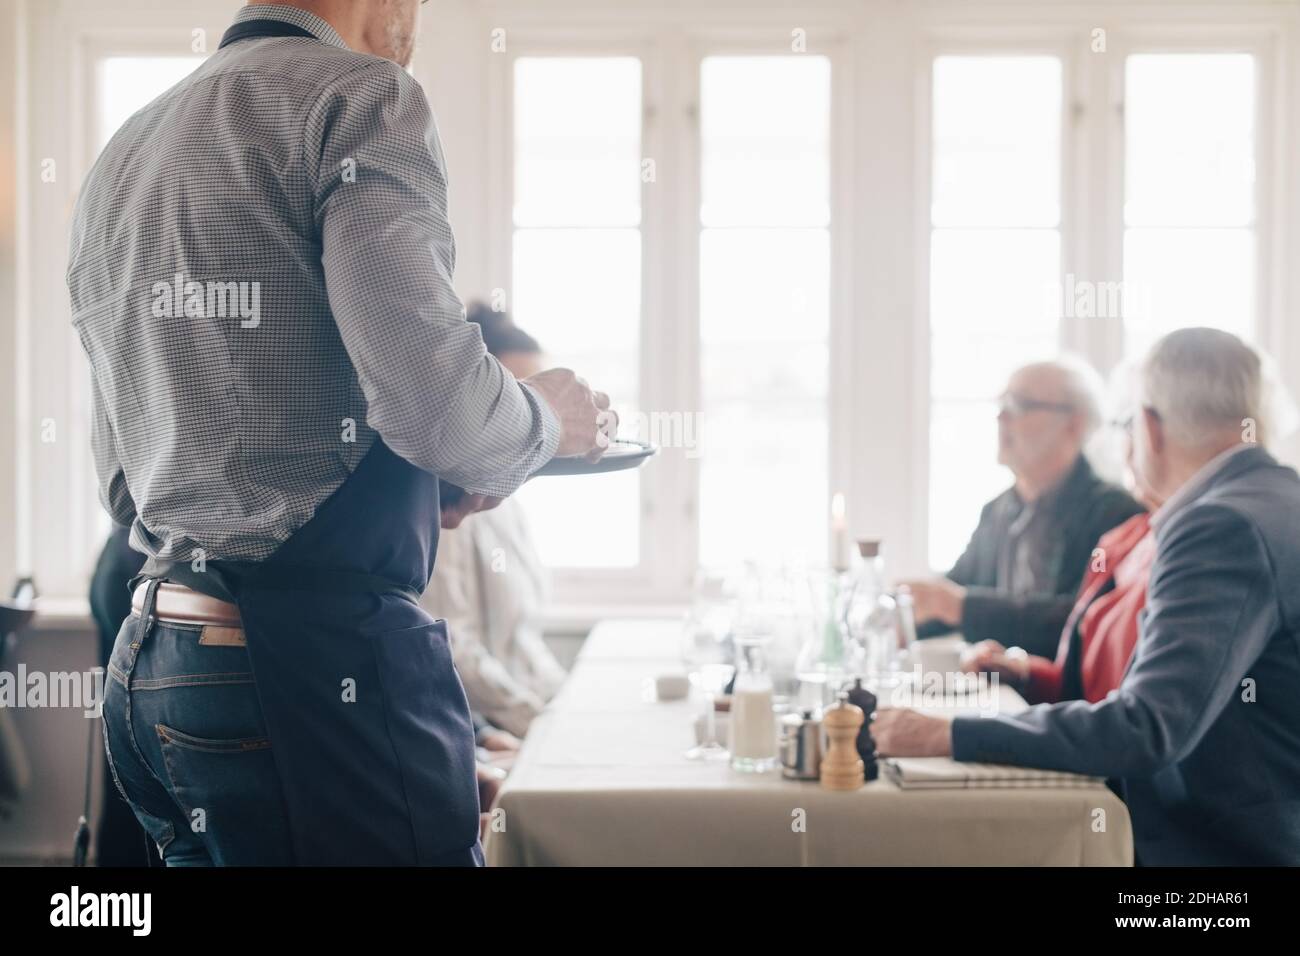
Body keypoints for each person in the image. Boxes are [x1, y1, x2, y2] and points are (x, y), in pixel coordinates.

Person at [70, 0, 615, 865]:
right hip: (307, 673)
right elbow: (438, 405)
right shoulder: (364, 99)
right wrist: (548, 416)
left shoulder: (127, 148)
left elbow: (127, 478)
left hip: (156, 669)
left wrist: (405, 496)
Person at [877, 328, 1300, 866]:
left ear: (1148, 426)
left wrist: (950, 734)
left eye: (1124, 425)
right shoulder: (1271, 497)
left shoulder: (1219, 524)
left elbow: (1147, 727)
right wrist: (1033, 678)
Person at [901, 359, 1143, 657]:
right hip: (1000, 689)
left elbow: (1084, 617)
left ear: (1074, 423)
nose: (1001, 416)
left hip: (1061, 698)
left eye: (1019, 404)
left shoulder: (1114, 514)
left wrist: (960, 606)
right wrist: (897, 616)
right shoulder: (998, 511)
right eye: (1001, 403)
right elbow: (953, 595)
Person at [422, 305, 567, 739]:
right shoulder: (454, 509)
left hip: (531, 709)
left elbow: (525, 642)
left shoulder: (512, 505)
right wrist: (537, 720)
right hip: (498, 726)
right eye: (522, 399)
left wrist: (567, 699)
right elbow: (453, 646)